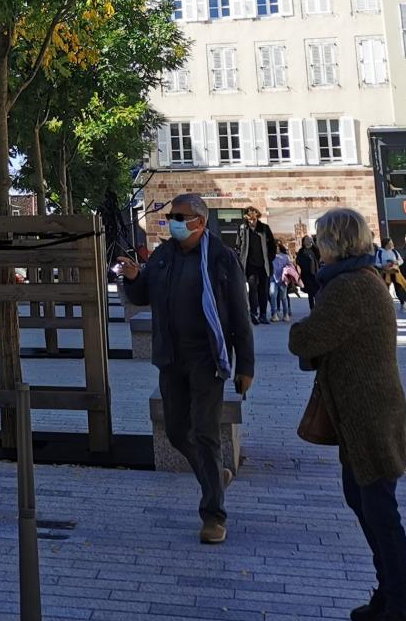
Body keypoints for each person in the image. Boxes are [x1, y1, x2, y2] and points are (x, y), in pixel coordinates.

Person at [289, 207, 406, 621]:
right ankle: (389, 594)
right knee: (365, 503)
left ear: (333, 242)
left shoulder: (348, 287)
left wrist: (302, 330)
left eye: (320, 238)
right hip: (363, 414)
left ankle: (400, 612)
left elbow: (306, 340)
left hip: (369, 417)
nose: (315, 245)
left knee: (380, 513)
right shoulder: (358, 280)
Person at [118, 194, 254, 545]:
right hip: (171, 357)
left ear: (201, 222)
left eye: (181, 216)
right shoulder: (163, 256)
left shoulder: (222, 259)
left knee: (207, 432)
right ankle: (214, 477)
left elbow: (240, 317)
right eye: (170, 217)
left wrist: (246, 366)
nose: (173, 222)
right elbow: (142, 294)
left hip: (207, 358)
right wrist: (133, 277)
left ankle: (213, 514)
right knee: (177, 431)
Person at [236, 205, 277, 324]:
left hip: (263, 265)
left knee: (263, 290)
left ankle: (263, 314)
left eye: (254, 219)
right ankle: (254, 313)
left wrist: (269, 258)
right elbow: (238, 246)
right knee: (252, 289)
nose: (252, 222)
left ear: (257, 218)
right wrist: (240, 259)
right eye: (250, 219)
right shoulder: (243, 229)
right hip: (250, 265)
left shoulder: (264, 228)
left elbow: (272, 246)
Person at [271, 243, 297, 321]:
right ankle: (274, 314)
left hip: (283, 280)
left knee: (283, 297)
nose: (276, 249)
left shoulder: (285, 257)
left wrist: (287, 272)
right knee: (273, 296)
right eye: (274, 247)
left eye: (277, 247)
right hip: (273, 279)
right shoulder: (270, 256)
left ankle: (286, 314)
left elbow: (290, 266)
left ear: (280, 248)